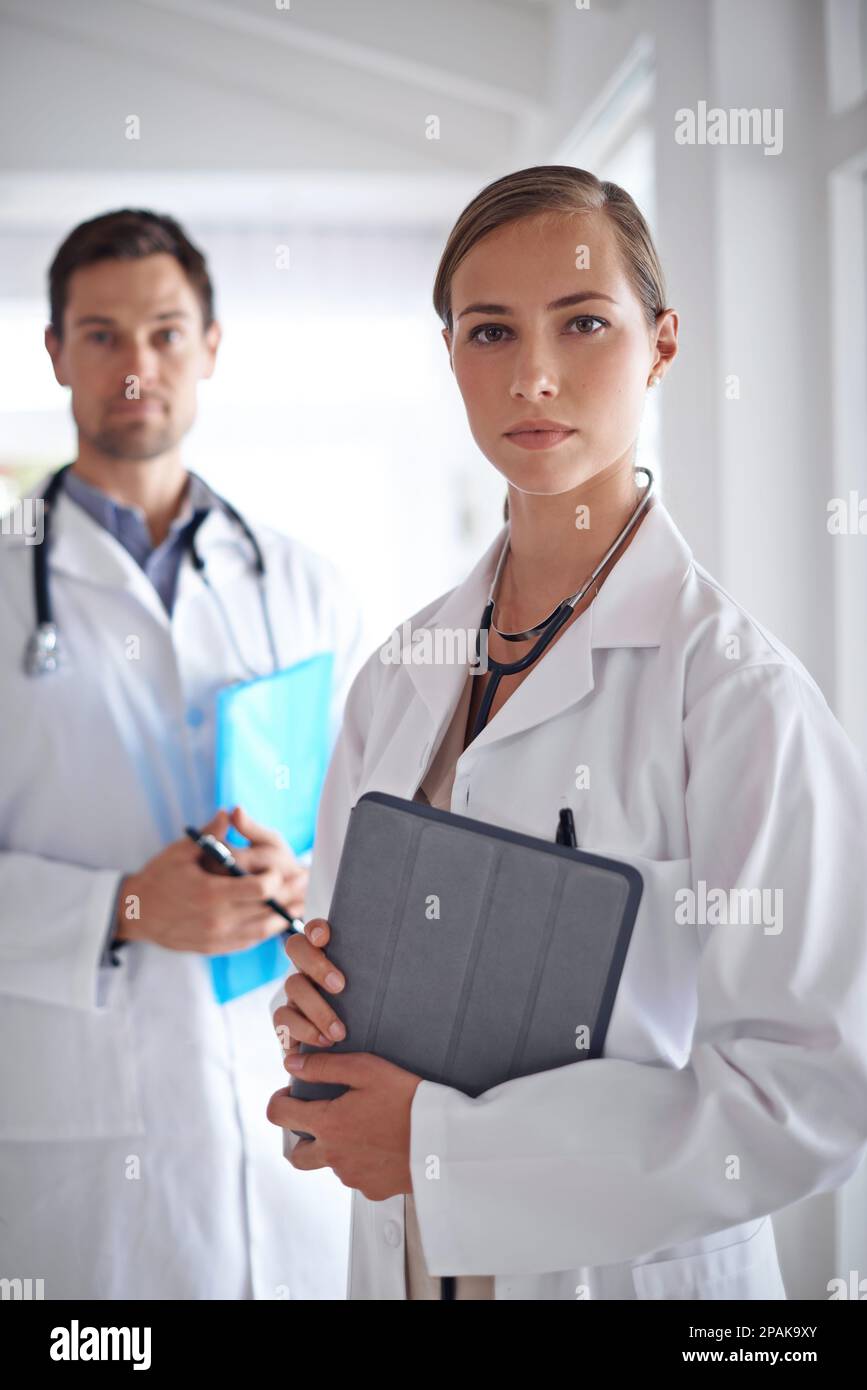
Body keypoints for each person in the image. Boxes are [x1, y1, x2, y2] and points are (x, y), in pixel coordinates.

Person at [267, 166, 867, 1301]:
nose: (532, 374)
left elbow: (811, 1097)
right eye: (490, 331)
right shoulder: (399, 676)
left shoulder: (738, 696)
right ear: (449, 354)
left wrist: (445, 1152)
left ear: (664, 344)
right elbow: (357, 980)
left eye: (584, 322)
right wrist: (318, 1029)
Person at [0, 209, 366, 1299]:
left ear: (210, 347)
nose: (135, 365)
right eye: (101, 334)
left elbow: (364, 828)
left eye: (165, 331)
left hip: (281, 1118)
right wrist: (120, 908)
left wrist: (308, 876)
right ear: (56, 352)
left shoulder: (302, 587)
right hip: (75, 1161)